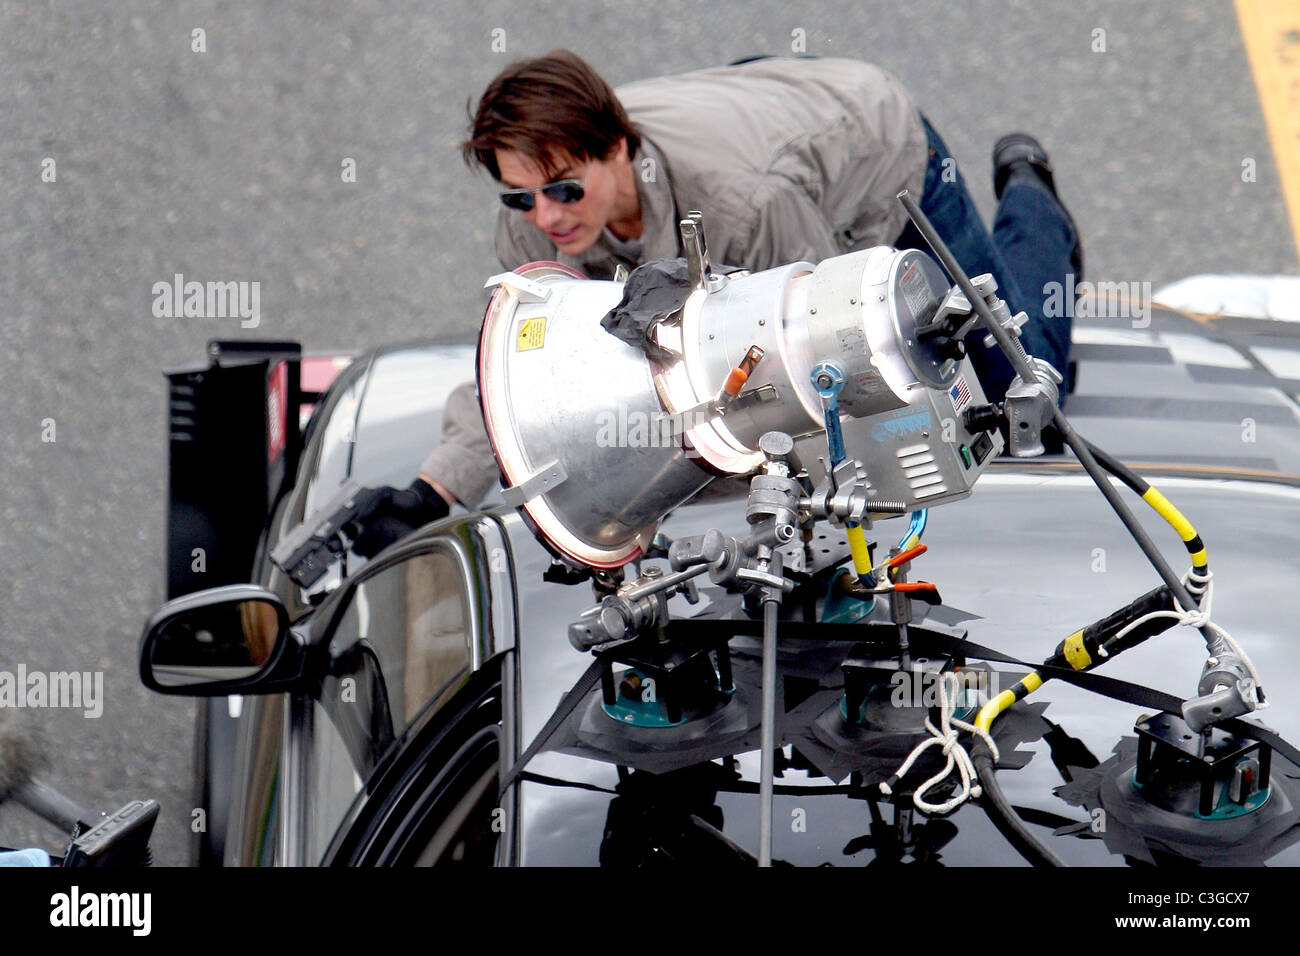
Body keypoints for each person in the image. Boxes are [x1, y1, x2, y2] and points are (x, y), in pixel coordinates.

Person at [350, 51, 1082, 557]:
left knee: (1026, 386)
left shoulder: (747, 207)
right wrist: (433, 489)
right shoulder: (539, 214)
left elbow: (835, 347)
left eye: (565, 189)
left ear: (615, 148)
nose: (544, 217)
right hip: (758, 105)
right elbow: (524, 373)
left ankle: (1033, 197)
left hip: (870, 135)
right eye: (520, 195)